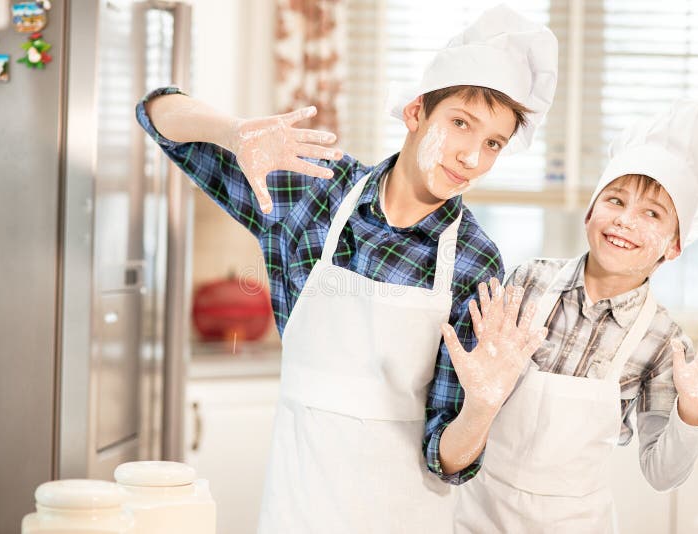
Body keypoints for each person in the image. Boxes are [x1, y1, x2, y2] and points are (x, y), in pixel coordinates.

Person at [135, 5, 557, 532]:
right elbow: (157, 115)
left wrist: (483, 406)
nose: (471, 156)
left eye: (493, 143)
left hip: (406, 516)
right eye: (460, 124)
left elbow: (447, 459)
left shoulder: (475, 259)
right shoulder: (311, 189)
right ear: (416, 112)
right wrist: (233, 132)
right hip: (298, 507)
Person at [430, 99, 698, 533]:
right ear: (590, 211)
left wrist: (692, 410)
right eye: (615, 201)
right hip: (476, 512)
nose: (625, 221)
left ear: (674, 246)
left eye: (652, 214)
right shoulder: (528, 282)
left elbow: (662, 473)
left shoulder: (663, 340)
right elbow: (466, 391)